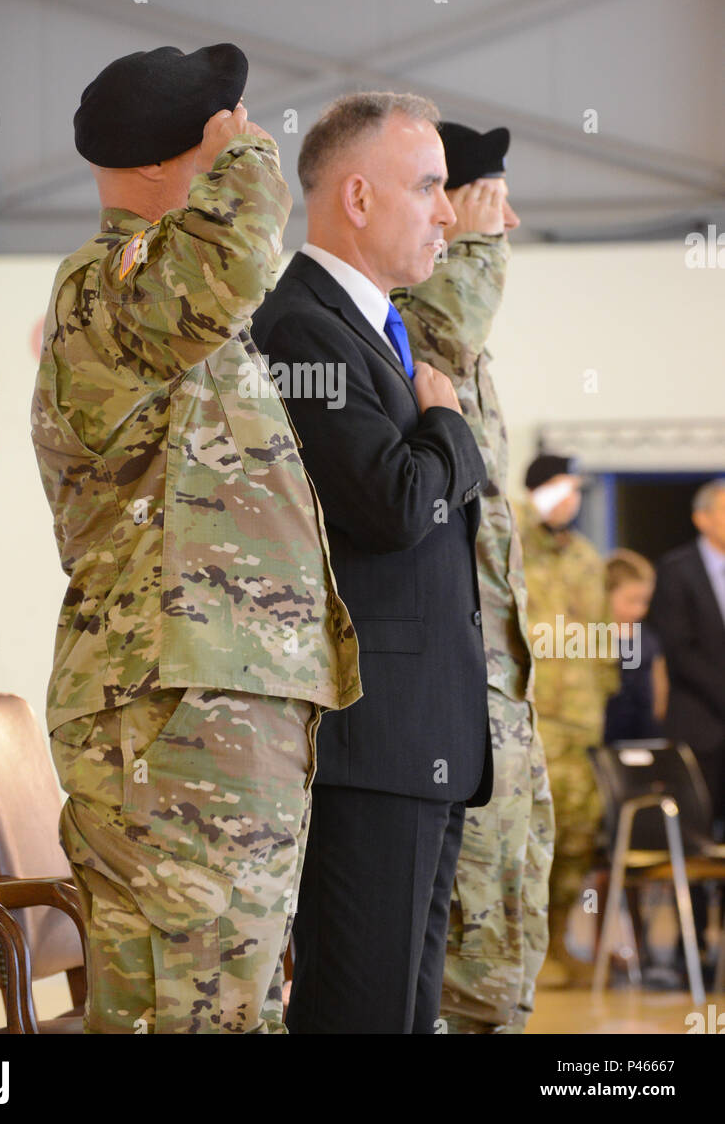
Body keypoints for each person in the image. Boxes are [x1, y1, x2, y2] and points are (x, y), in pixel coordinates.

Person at [30, 44, 361, 1034]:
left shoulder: (162, 310)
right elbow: (227, 266)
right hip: (173, 712)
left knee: (231, 1002)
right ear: (166, 160)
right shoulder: (114, 286)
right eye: (217, 132)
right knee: (190, 1010)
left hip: (215, 703)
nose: (238, 142)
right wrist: (252, 154)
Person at [252, 91, 492, 1034]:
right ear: (357, 197)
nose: (446, 211)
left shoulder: (373, 333)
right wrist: (446, 423)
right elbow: (396, 505)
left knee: (403, 1013)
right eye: (428, 187)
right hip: (372, 743)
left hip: (419, 743)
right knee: (361, 1015)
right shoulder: (301, 330)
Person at [395, 121, 555, 1034]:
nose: (508, 228)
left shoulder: (466, 351)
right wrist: (473, 243)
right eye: (490, 205)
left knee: (507, 935)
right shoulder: (415, 327)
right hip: (454, 709)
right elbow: (440, 332)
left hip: (501, 696)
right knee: (461, 971)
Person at [516, 455, 616, 986]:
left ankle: (556, 940)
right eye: (560, 488)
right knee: (528, 838)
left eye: (576, 490)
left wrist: (602, 696)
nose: (570, 499)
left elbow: (602, 638)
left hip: (581, 726)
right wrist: (532, 507)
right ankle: (521, 949)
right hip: (531, 721)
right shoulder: (514, 537)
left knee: (577, 840)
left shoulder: (584, 556)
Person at [650, 478, 725, 969]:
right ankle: (691, 952)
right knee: (696, 840)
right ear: (702, 518)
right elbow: (679, 651)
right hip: (701, 729)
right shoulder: (675, 571)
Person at [603, 549, 666, 745]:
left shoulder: (647, 638)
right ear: (606, 593)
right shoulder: (593, 638)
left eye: (644, 601)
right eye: (631, 601)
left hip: (644, 735)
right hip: (604, 735)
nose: (639, 609)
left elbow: (659, 686)